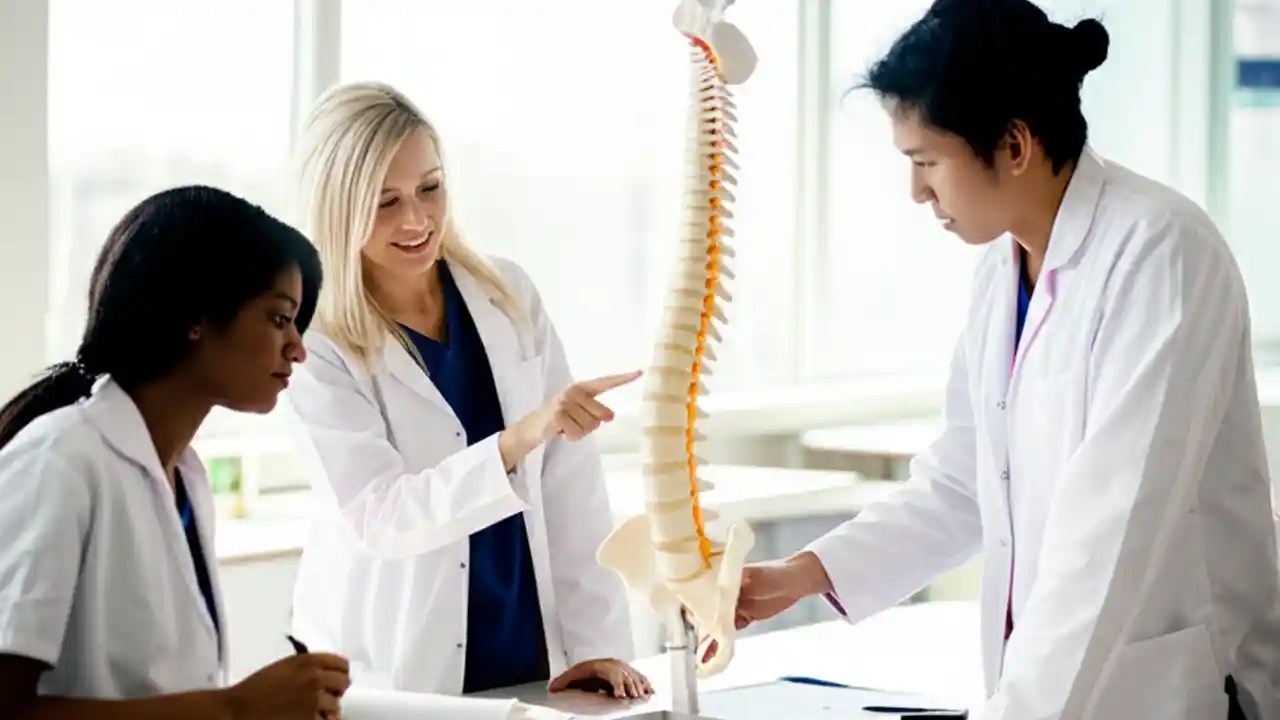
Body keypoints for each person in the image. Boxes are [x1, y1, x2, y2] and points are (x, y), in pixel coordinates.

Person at [733, 1, 1280, 718]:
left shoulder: (1160, 251)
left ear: (1015, 144)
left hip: (1176, 691)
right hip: (1055, 689)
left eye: (927, 161)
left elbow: (1115, 527)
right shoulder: (1003, 269)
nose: (916, 190)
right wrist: (806, 572)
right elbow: (964, 482)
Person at [284, 81, 652, 700]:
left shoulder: (505, 295)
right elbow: (382, 515)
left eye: (430, 187)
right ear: (339, 207)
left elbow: (571, 488)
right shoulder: (315, 338)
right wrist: (517, 440)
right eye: (385, 202)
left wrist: (599, 647)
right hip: (399, 666)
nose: (417, 219)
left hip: (533, 649)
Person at [0, 186, 352, 719]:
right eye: (279, 319)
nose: (297, 349)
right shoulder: (61, 462)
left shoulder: (186, 476)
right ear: (198, 317)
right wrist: (235, 709)